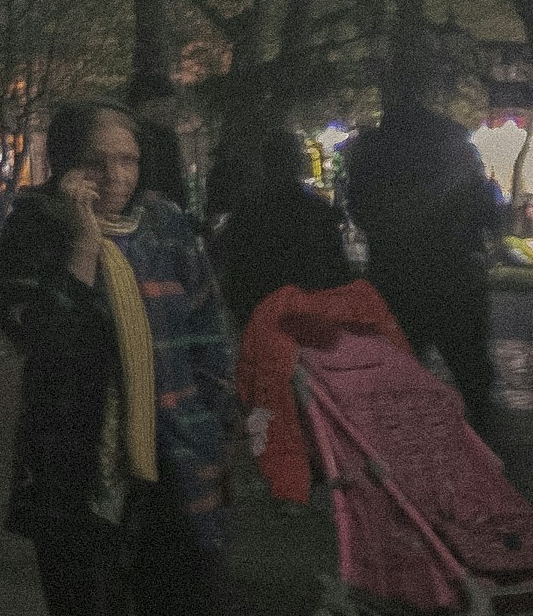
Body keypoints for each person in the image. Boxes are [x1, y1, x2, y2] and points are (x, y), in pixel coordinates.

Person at [0, 99, 235, 616]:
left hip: (175, 451)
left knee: (191, 608)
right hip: (78, 465)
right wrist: (82, 240)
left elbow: (206, 326)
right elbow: (43, 334)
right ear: (65, 165)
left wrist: (219, 420)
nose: (114, 176)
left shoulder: (166, 227)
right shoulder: (35, 228)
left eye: (127, 159)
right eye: (97, 161)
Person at [338, 102, 509, 451]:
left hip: (396, 281)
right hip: (454, 279)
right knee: (473, 379)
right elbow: (487, 212)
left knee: (397, 383)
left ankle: (405, 463)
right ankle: (488, 465)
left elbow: (360, 211)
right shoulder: (455, 150)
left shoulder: (372, 154)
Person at [206, 127, 351, 325]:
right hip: (310, 318)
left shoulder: (248, 211)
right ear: (297, 163)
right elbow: (337, 271)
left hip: (263, 316)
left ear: (264, 164)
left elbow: (235, 270)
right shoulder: (317, 210)